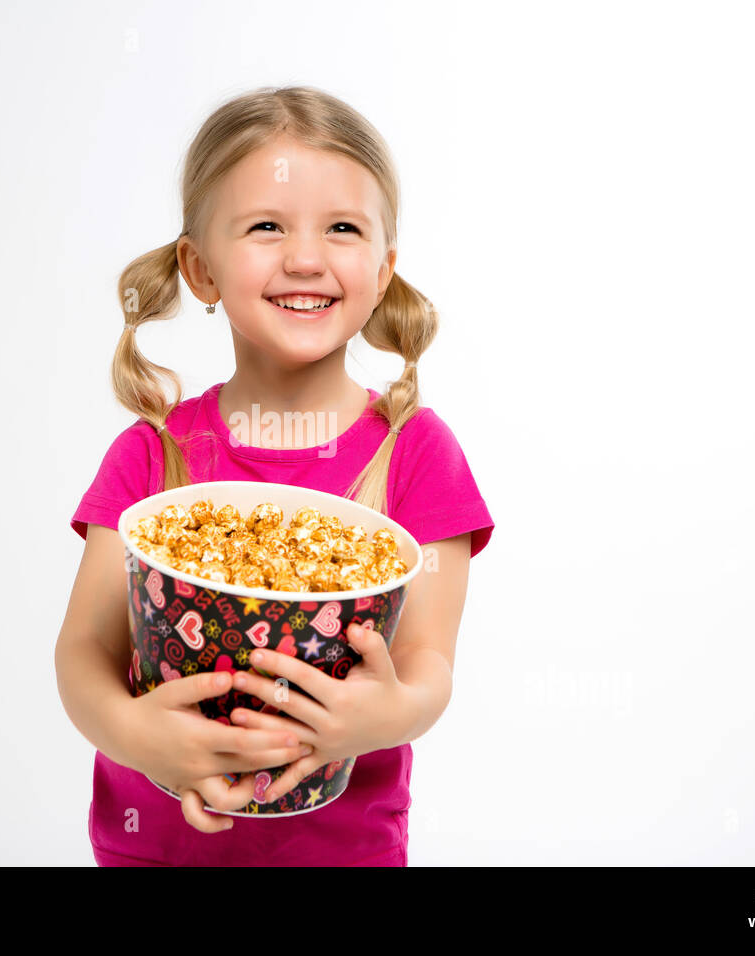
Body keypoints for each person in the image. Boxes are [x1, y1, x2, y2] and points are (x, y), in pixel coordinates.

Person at [55, 85, 493, 866]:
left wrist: (373, 718)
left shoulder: (417, 453)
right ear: (201, 269)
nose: (305, 257)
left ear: (385, 269)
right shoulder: (152, 455)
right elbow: (84, 651)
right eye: (266, 226)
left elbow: (428, 666)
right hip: (152, 851)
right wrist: (135, 735)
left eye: (343, 229)